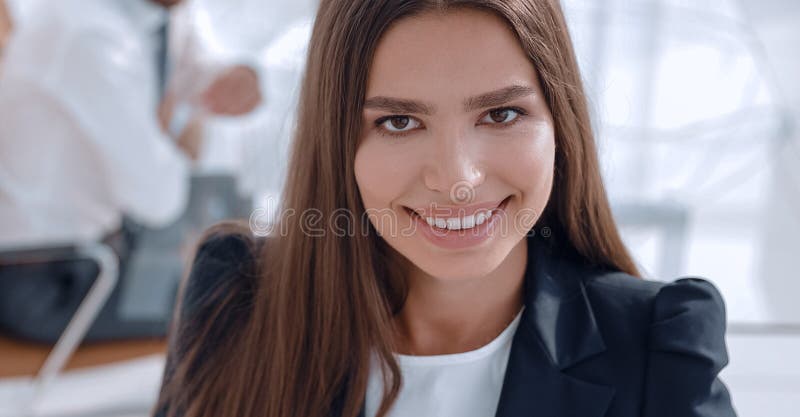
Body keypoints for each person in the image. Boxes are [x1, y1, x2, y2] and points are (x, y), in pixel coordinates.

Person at [155, 1, 737, 417]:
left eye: (501, 114)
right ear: (337, 143)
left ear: (560, 124)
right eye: (398, 122)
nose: (457, 179)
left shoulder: (657, 347)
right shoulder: (237, 299)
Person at [0, 0, 262, 342]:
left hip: (88, 259)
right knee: (245, 298)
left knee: (240, 266)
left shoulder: (152, 18)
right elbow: (158, 201)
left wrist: (230, 80)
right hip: (48, 283)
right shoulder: (90, 35)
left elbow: (199, 66)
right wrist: (180, 134)